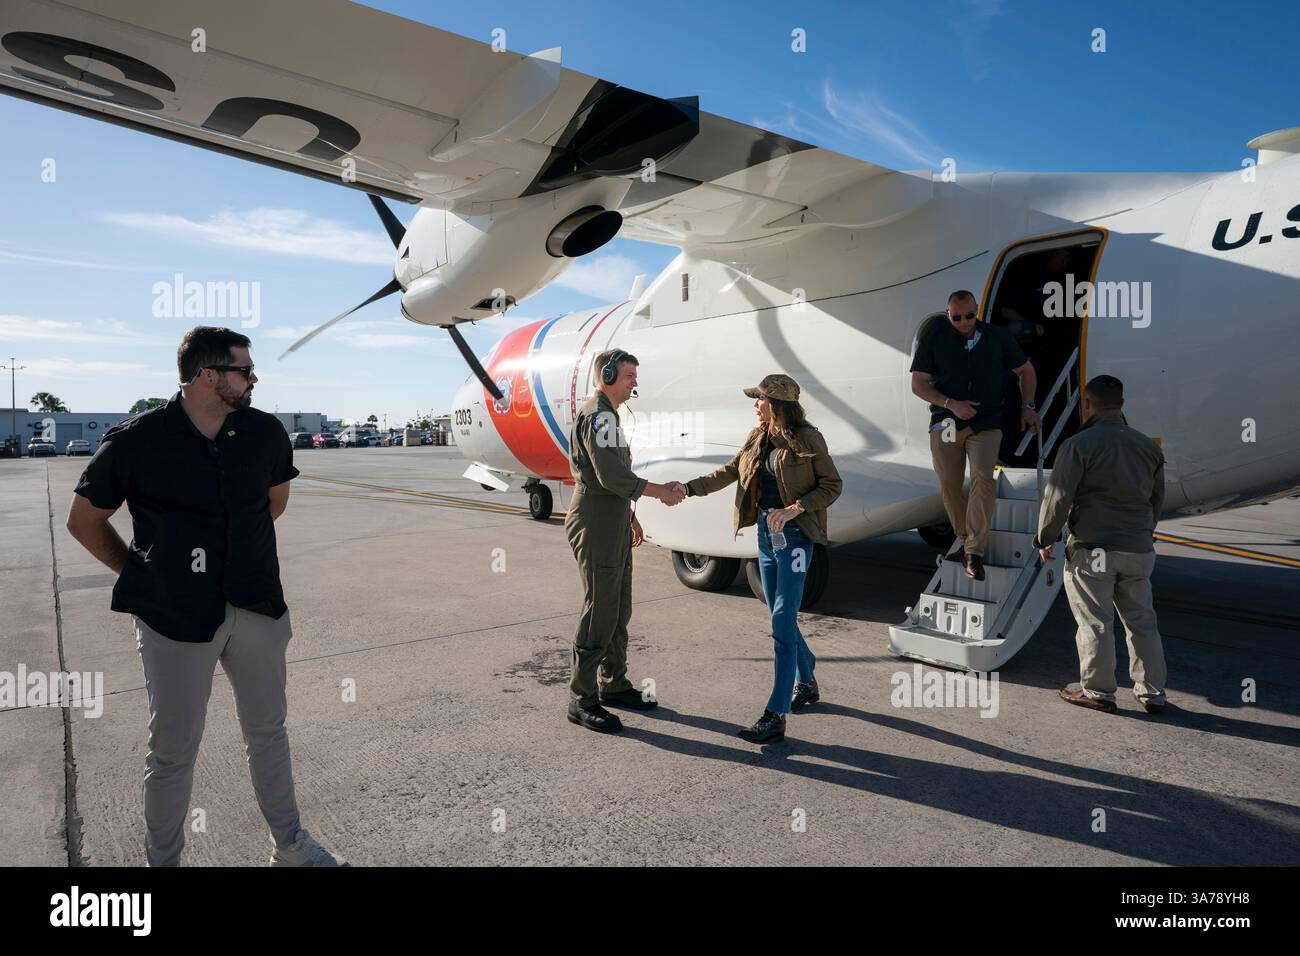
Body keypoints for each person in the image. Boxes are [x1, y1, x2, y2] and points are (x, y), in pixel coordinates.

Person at [65, 326, 341, 866]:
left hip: (256, 605)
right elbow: (84, 520)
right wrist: (143, 573)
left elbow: (272, 505)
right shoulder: (138, 440)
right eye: (245, 369)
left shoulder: (264, 433)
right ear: (208, 376)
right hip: (173, 616)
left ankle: (291, 848)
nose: (254, 378)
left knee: (269, 734)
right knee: (172, 752)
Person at [680, 374, 842, 744]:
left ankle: (776, 714)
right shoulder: (757, 437)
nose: (755, 404)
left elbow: (832, 485)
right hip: (767, 537)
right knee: (777, 614)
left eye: (760, 399)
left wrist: (796, 508)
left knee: (783, 620)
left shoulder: (808, 439)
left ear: (777, 404)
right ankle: (809, 677)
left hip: (797, 538)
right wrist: (687, 489)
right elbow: (731, 470)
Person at [566, 348, 685, 734]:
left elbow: (614, 477)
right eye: (630, 375)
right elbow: (612, 477)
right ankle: (582, 698)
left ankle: (613, 683)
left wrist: (630, 516)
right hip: (596, 520)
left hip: (613, 517)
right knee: (600, 607)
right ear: (610, 374)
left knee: (619, 607)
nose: (635, 382)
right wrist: (660, 492)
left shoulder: (609, 414)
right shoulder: (599, 415)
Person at [1034, 374, 1168, 715]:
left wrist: (1045, 538)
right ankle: (1152, 693)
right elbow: (1156, 501)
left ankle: (1098, 692)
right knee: (1142, 621)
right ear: (1122, 404)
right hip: (1138, 549)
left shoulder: (1078, 445)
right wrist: (1140, 533)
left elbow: (1058, 498)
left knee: (1095, 621)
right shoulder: (1148, 447)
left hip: (1093, 549)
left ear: (1086, 405)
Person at [910, 290, 1042, 580]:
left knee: (983, 478)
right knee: (949, 485)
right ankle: (964, 537)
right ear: (948, 315)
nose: (963, 321)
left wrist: (1028, 406)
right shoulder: (936, 339)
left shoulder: (998, 337)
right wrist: (951, 404)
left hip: (987, 422)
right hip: (946, 422)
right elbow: (918, 384)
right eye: (956, 317)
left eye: (969, 315)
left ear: (977, 310)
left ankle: (974, 551)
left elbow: (1026, 371)